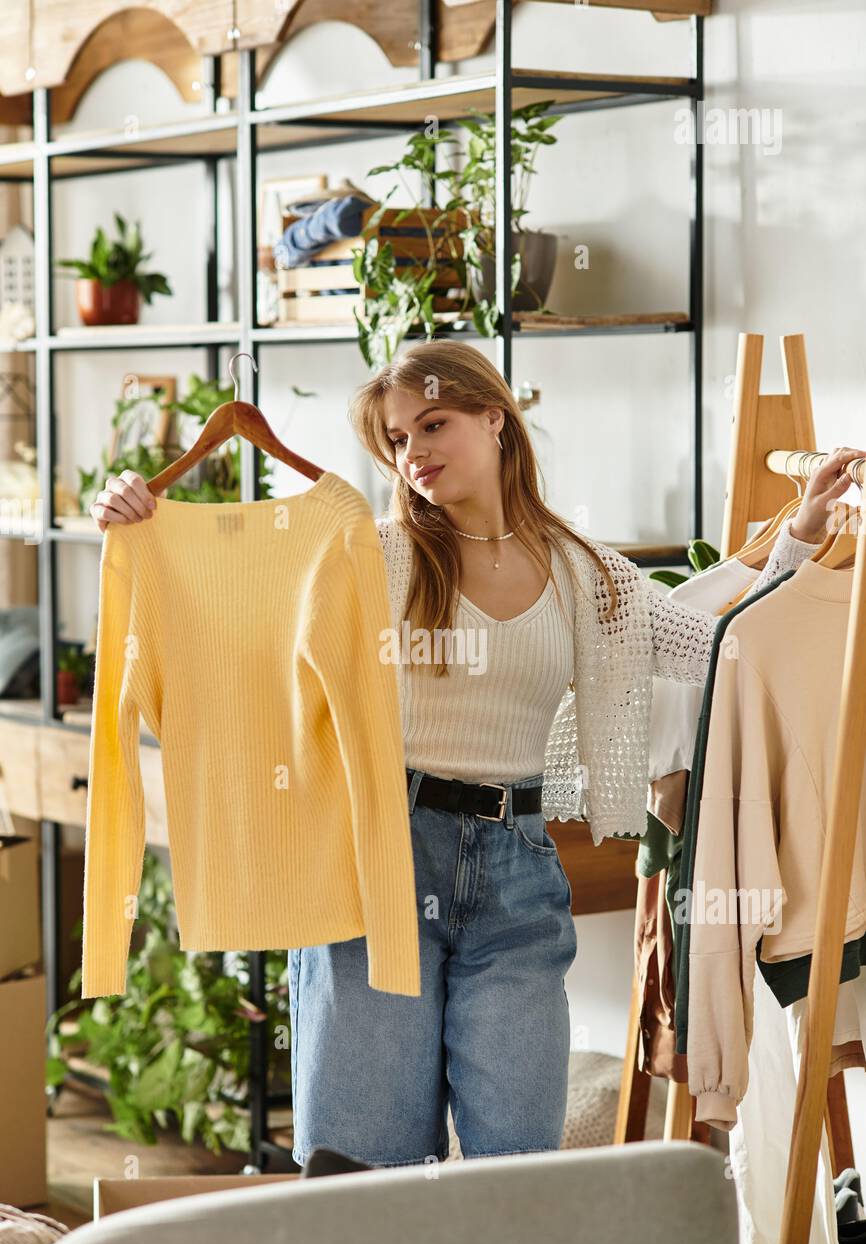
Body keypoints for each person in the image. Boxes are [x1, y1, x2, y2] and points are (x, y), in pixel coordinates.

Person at [91, 338, 855, 1168]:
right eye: (394, 439)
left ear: (495, 418)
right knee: (361, 1168)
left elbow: (723, 654)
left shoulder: (584, 572)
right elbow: (236, 632)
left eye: (433, 424)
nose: (412, 453)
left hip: (517, 875)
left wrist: (799, 541)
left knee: (516, 1168)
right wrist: (145, 537)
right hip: (376, 868)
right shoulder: (370, 558)